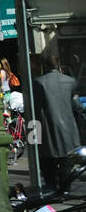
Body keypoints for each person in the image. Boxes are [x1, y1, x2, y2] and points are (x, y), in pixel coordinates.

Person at [32, 54, 85, 190]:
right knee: (66, 161)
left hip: (46, 128)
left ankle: (52, 187)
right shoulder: (70, 81)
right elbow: (77, 106)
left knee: (46, 161)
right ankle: (65, 188)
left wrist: (31, 136)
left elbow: (34, 109)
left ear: (44, 66)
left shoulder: (38, 82)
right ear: (59, 65)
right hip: (68, 129)